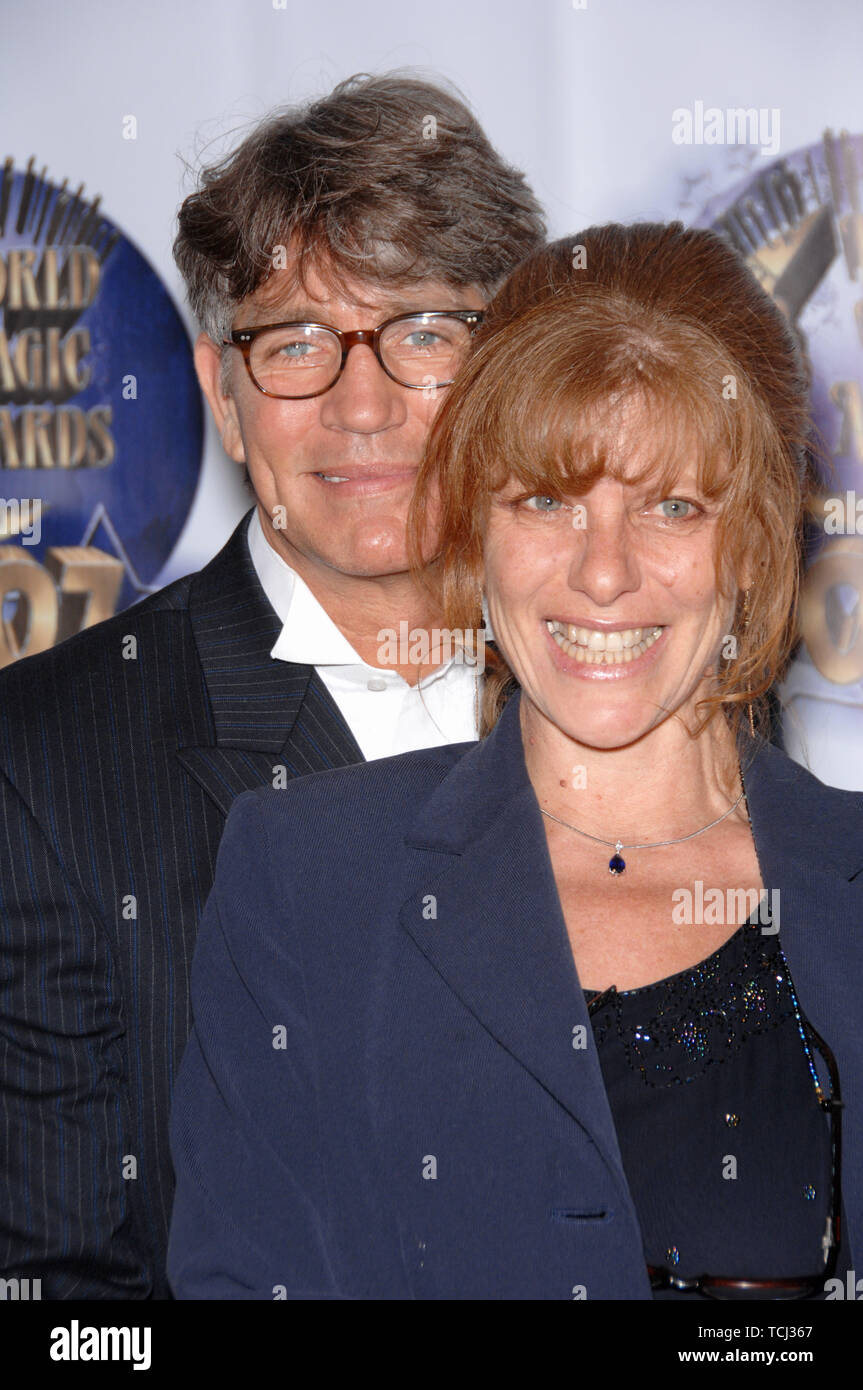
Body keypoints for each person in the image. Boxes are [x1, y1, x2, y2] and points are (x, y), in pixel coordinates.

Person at [168, 222, 862, 1300]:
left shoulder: (845, 883)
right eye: (545, 498)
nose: (601, 573)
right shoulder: (305, 881)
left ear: (756, 540)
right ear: (470, 523)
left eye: (671, 505)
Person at [0, 74, 544, 1298]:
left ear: (510, 366)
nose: (361, 407)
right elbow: (63, 1295)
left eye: (419, 333)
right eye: (294, 341)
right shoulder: (43, 764)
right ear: (222, 399)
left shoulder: (646, 694)